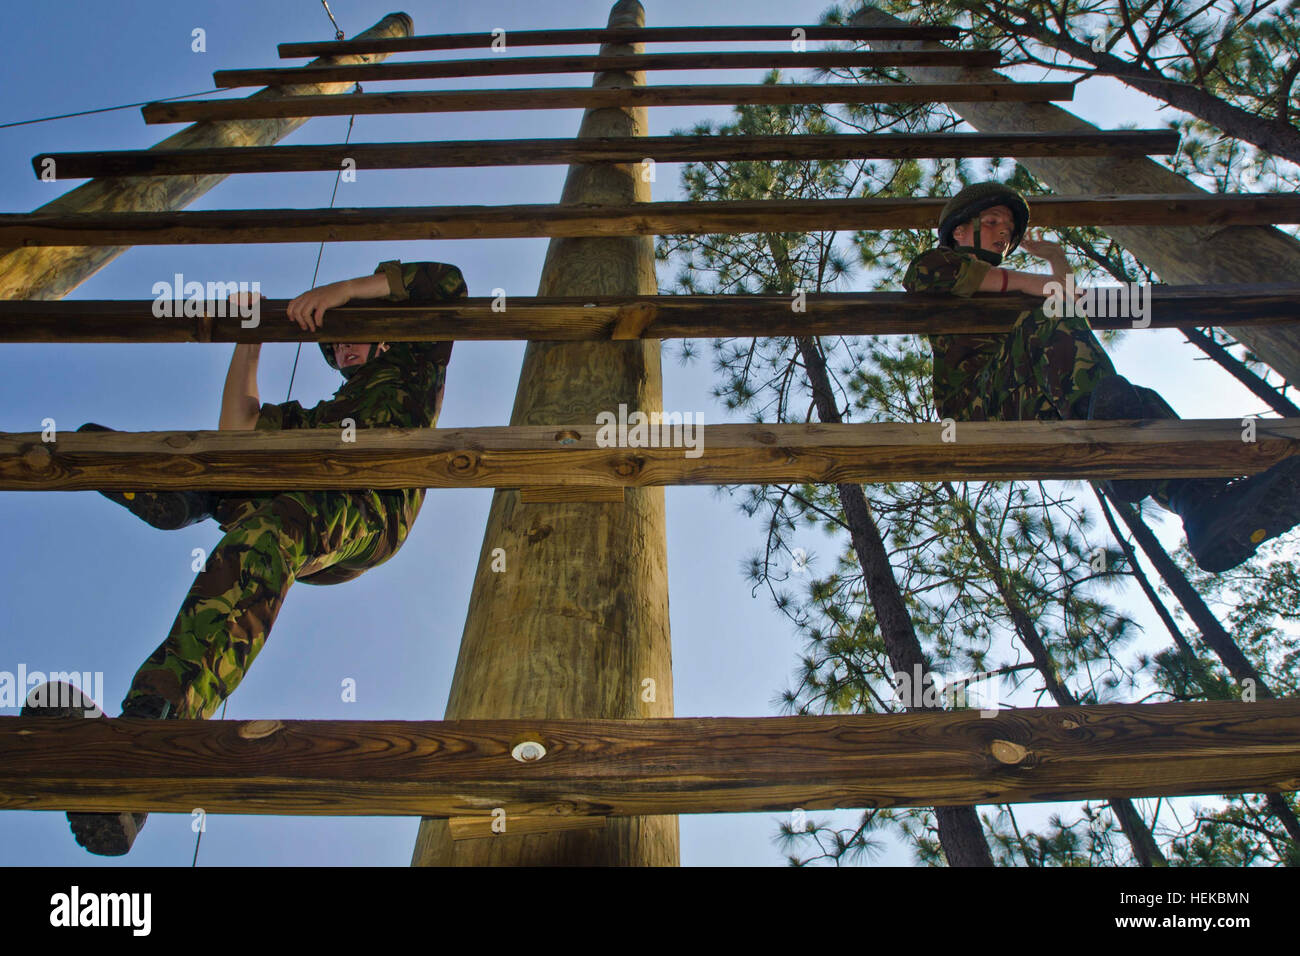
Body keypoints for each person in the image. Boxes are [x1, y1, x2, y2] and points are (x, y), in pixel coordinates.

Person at [22, 259, 467, 856]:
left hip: (367, 506)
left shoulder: (414, 365)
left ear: (385, 333)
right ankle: (142, 738)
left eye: (352, 332)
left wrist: (340, 291)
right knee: (247, 515)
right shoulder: (316, 418)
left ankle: (188, 496)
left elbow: (447, 280)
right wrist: (250, 340)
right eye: (333, 346)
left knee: (269, 521)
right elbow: (239, 427)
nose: (343, 348)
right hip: (290, 510)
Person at [902, 181, 1300, 574]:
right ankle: (1111, 443)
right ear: (959, 231)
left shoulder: (1013, 291)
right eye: (992, 222)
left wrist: (1057, 259)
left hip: (1033, 400)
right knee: (1051, 318)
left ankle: (1201, 507)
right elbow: (938, 278)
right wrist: (1040, 282)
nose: (1003, 234)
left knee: (1143, 401)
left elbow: (1067, 304)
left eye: (1008, 230)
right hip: (977, 411)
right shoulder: (936, 264)